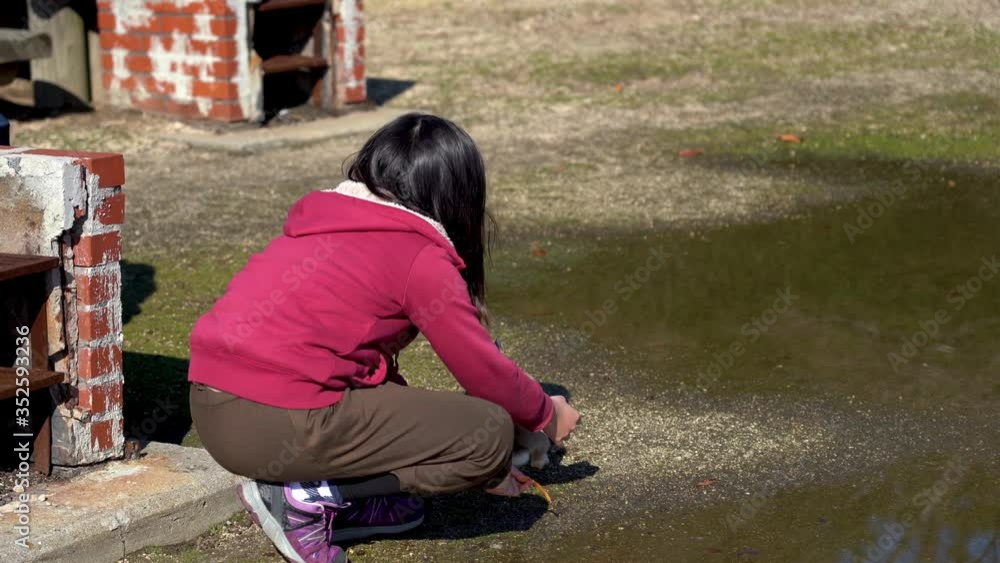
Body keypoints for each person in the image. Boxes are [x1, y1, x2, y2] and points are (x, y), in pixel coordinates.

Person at [187, 113, 581, 563]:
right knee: (489, 433)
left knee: (422, 420)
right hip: (280, 424)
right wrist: (544, 413)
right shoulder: (419, 256)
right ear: (459, 193)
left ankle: (341, 499)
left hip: (212, 411)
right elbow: (482, 373)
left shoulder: (327, 220)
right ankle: (307, 499)